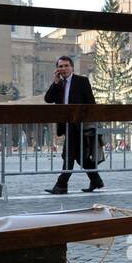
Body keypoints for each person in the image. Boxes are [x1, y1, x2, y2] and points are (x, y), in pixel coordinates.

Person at [43, 55, 103, 194]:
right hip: (66, 126)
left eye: (66, 66)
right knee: (81, 157)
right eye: (60, 66)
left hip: (79, 125)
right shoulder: (59, 84)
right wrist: (55, 82)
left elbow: (90, 102)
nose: (63, 68)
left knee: (68, 156)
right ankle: (96, 180)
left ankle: (61, 185)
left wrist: (86, 120)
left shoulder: (81, 81)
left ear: (72, 67)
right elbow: (48, 99)